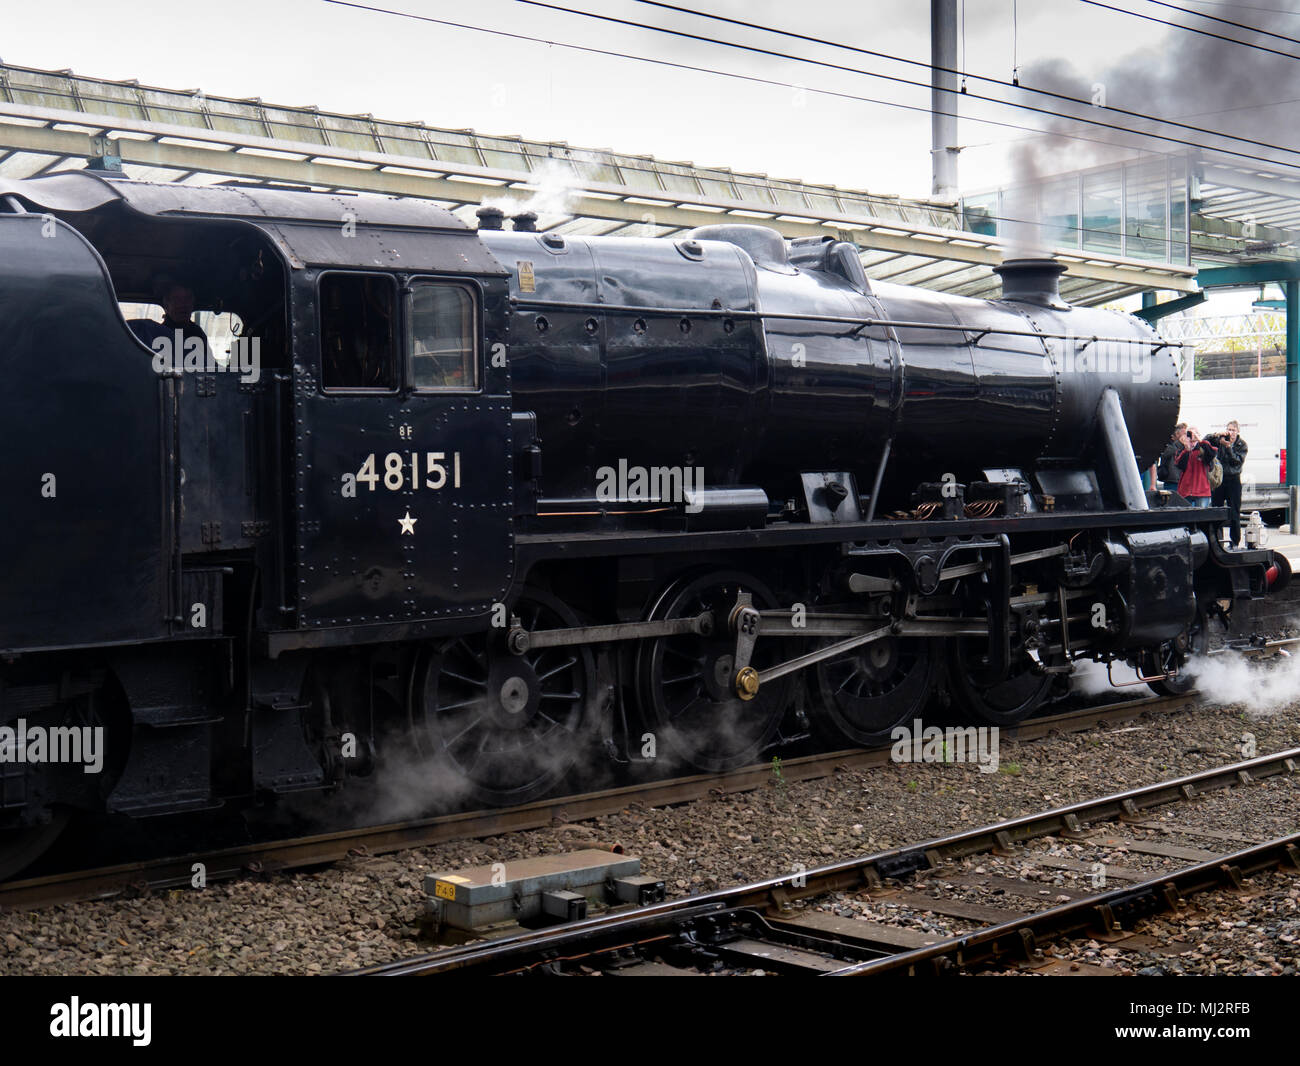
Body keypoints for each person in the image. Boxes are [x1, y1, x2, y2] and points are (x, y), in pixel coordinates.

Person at [1207, 420, 1249, 547]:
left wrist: (1228, 447)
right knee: (1217, 510)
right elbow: (1205, 441)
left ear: (1238, 431)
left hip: (1233, 479)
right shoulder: (1220, 441)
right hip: (1220, 480)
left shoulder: (1242, 445)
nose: (1230, 433)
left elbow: (1236, 462)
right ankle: (1217, 540)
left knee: (1234, 512)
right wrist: (1217, 435)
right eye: (1229, 430)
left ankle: (1235, 541)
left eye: (1233, 430)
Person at [1174, 424, 1216, 507]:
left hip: (1202, 490)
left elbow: (1211, 454)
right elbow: (1180, 465)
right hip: (1185, 491)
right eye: (1189, 433)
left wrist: (1200, 440)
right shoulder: (1182, 449)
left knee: (1202, 517)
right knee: (1185, 517)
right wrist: (1186, 448)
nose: (1192, 436)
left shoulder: (1203, 447)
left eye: (1195, 433)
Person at [1155, 424, 1185, 493]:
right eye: (1184, 434)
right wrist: (1179, 442)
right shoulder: (1167, 443)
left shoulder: (1185, 446)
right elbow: (1165, 453)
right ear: (1177, 434)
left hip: (1182, 481)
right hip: (1171, 480)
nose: (1186, 436)